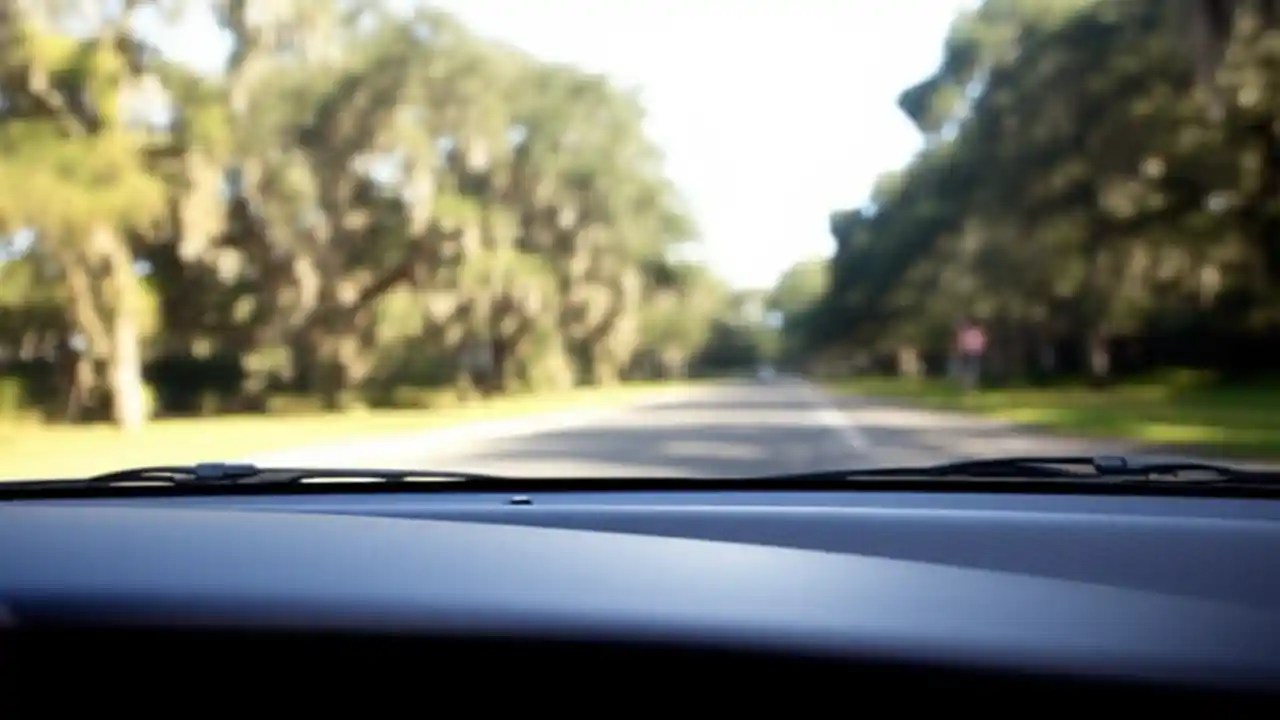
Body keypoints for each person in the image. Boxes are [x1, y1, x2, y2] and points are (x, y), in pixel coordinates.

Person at [955, 321, 987, 391]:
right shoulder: (977, 332)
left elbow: (982, 342)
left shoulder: (969, 332)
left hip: (971, 352)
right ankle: (969, 386)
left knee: (971, 370)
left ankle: (969, 386)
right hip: (972, 352)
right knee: (972, 370)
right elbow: (982, 342)